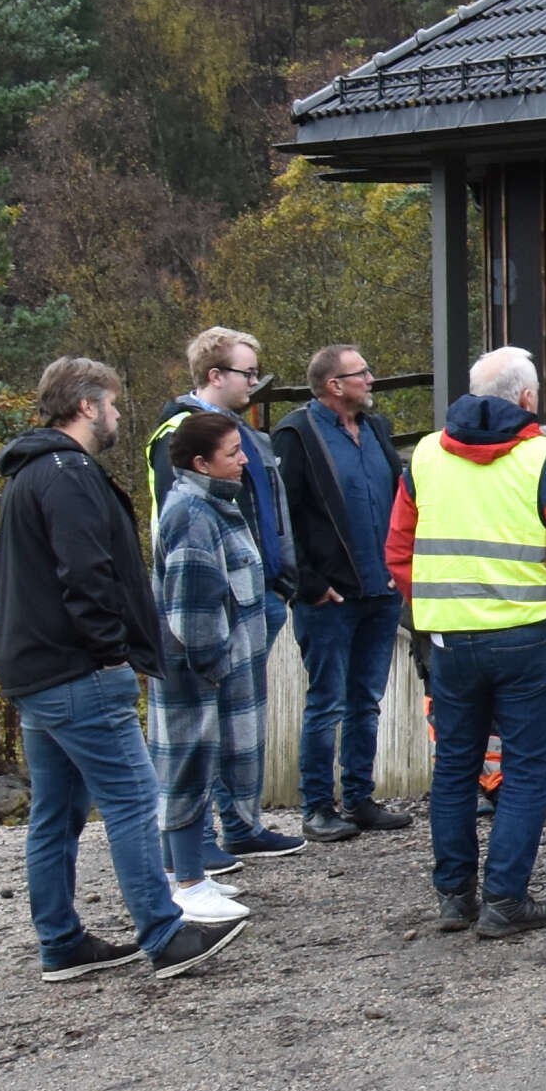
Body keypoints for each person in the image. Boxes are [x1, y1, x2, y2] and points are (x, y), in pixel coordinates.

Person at [0, 357, 236, 982]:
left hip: (37, 670)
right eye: (114, 405)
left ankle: (61, 942)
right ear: (86, 407)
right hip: (79, 672)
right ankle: (164, 933)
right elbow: (87, 574)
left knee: (55, 813)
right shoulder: (68, 474)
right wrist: (111, 650)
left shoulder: (27, 473)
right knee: (131, 801)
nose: (120, 415)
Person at [390, 345, 546, 937]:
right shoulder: (545, 460)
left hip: (449, 640)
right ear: (527, 399)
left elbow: (399, 551)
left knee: (454, 768)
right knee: (524, 772)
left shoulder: (424, 454)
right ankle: (504, 901)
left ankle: (454, 898)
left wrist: (433, 611)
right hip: (529, 638)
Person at [145, 326, 304, 859]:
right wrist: (210, 643)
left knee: (242, 728)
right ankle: (196, 846)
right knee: (201, 732)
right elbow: (191, 537)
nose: (256, 384)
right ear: (215, 375)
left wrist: (281, 581)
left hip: (256, 595)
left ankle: (240, 826)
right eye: (247, 373)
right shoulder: (183, 435)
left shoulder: (239, 431)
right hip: (216, 612)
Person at [273, 343, 407, 841]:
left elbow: (399, 500)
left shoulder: (375, 430)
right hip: (329, 598)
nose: (371, 379)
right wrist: (307, 583)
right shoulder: (296, 435)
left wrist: (402, 565)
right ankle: (316, 807)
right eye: (361, 373)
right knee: (326, 702)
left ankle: (359, 798)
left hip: (380, 589)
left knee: (365, 701)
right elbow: (281, 516)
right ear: (334, 385)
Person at [150, 411, 273, 925]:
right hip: (199, 675)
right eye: (232, 453)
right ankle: (188, 885)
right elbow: (194, 612)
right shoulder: (193, 516)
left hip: (215, 669)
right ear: (201, 463)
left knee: (198, 770)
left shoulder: (213, 505)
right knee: (186, 772)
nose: (244, 460)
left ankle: (189, 873)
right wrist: (215, 668)